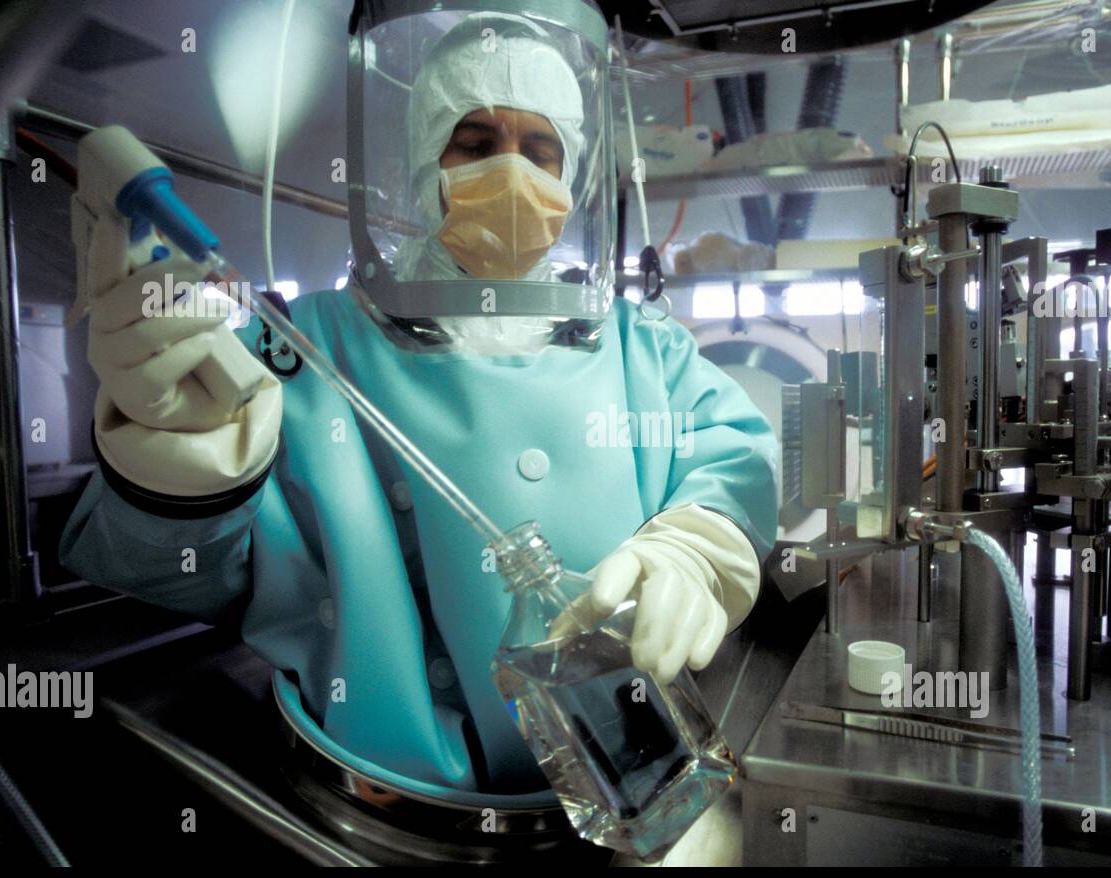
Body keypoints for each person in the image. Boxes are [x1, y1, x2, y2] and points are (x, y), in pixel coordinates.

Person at [60, 6, 778, 805]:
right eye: (476, 144)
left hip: (630, 776)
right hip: (385, 803)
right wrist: (177, 476)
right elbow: (188, 581)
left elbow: (734, 457)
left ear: (572, 173)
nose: (512, 175)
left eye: (540, 149)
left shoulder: (642, 346)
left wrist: (694, 549)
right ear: (420, 161)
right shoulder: (308, 349)